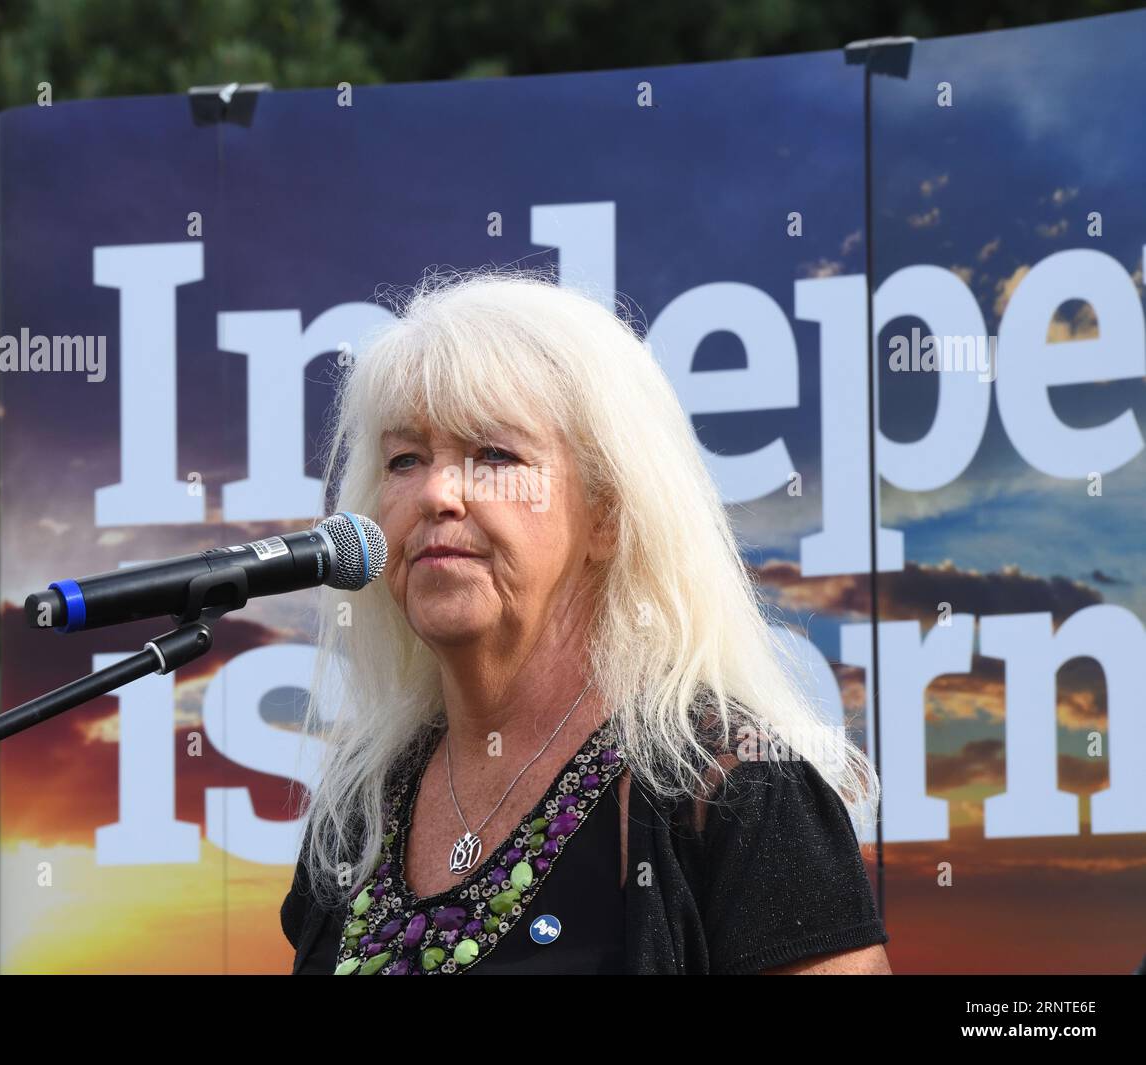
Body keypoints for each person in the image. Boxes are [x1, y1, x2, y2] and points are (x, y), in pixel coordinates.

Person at [281, 267, 890, 975]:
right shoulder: (360, 808)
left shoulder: (732, 789)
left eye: (494, 454)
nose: (436, 492)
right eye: (405, 459)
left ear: (606, 515)